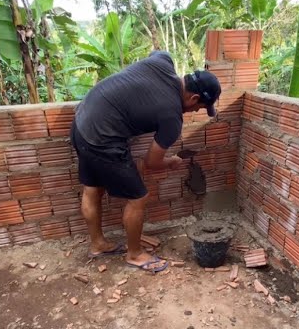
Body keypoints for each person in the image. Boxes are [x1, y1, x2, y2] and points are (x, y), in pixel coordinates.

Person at [69, 50, 222, 273]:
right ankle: (135, 254)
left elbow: (155, 53)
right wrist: (170, 162)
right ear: (194, 98)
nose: (194, 112)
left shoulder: (163, 61)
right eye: (198, 108)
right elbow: (152, 162)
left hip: (82, 122)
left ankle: (98, 244)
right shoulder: (172, 118)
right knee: (138, 198)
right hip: (103, 138)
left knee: (93, 189)